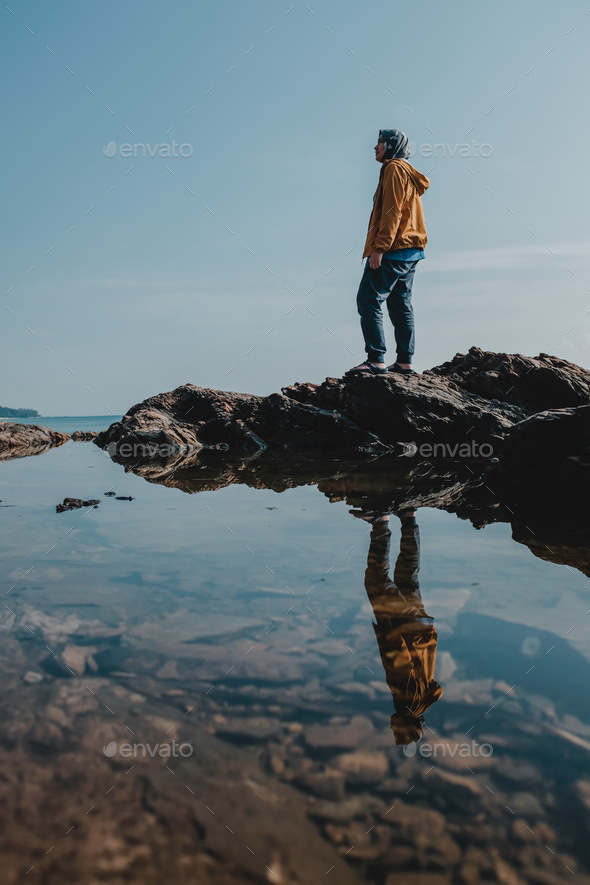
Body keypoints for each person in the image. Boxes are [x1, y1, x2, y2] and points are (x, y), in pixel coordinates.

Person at [351, 507, 442, 745]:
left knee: (407, 575)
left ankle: (409, 518)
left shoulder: (423, 701)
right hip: (402, 626)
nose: (391, 727)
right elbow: (402, 663)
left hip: (421, 627)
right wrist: (387, 630)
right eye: (396, 731)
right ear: (406, 726)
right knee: (376, 580)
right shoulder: (407, 704)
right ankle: (380, 523)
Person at [346, 129, 429, 377]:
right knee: (400, 304)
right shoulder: (406, 171)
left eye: (380, 142)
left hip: (393, 249)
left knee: (368, 299)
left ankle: (376, 359)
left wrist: (379, 249)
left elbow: (391, 212)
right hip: (412, 249)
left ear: (392, 145)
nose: (375, 147)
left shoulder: (393, 168)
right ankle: (404, 362)